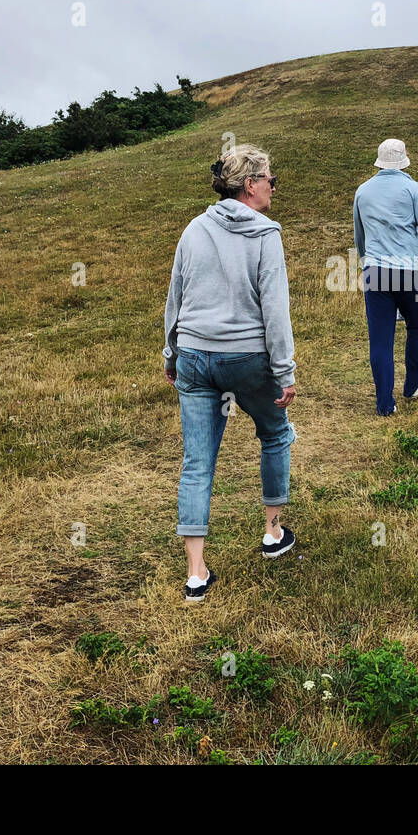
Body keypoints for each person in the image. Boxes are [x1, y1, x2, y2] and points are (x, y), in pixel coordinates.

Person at [162, 145, 297, 604]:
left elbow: (174, 300)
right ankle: (272, 533)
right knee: (276, 435)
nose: (274, 187)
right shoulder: (266, 235)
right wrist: (285, 372)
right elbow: (275, 310)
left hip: (195, 357)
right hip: (246, 359)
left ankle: (196, 575)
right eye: (271, 180)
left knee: (197, 461)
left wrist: (171, 354)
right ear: (250, 185)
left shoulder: (194, 229)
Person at [353, 138, 418, 415]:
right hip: (411, 270)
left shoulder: (363, 191)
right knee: (416, 326)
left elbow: (359, 236)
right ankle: (412, 386)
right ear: (404, 160)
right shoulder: (413, 188)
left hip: (376, 271)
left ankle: (384, 404)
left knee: (380, 339)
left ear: (379, 160)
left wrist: (366, 263)